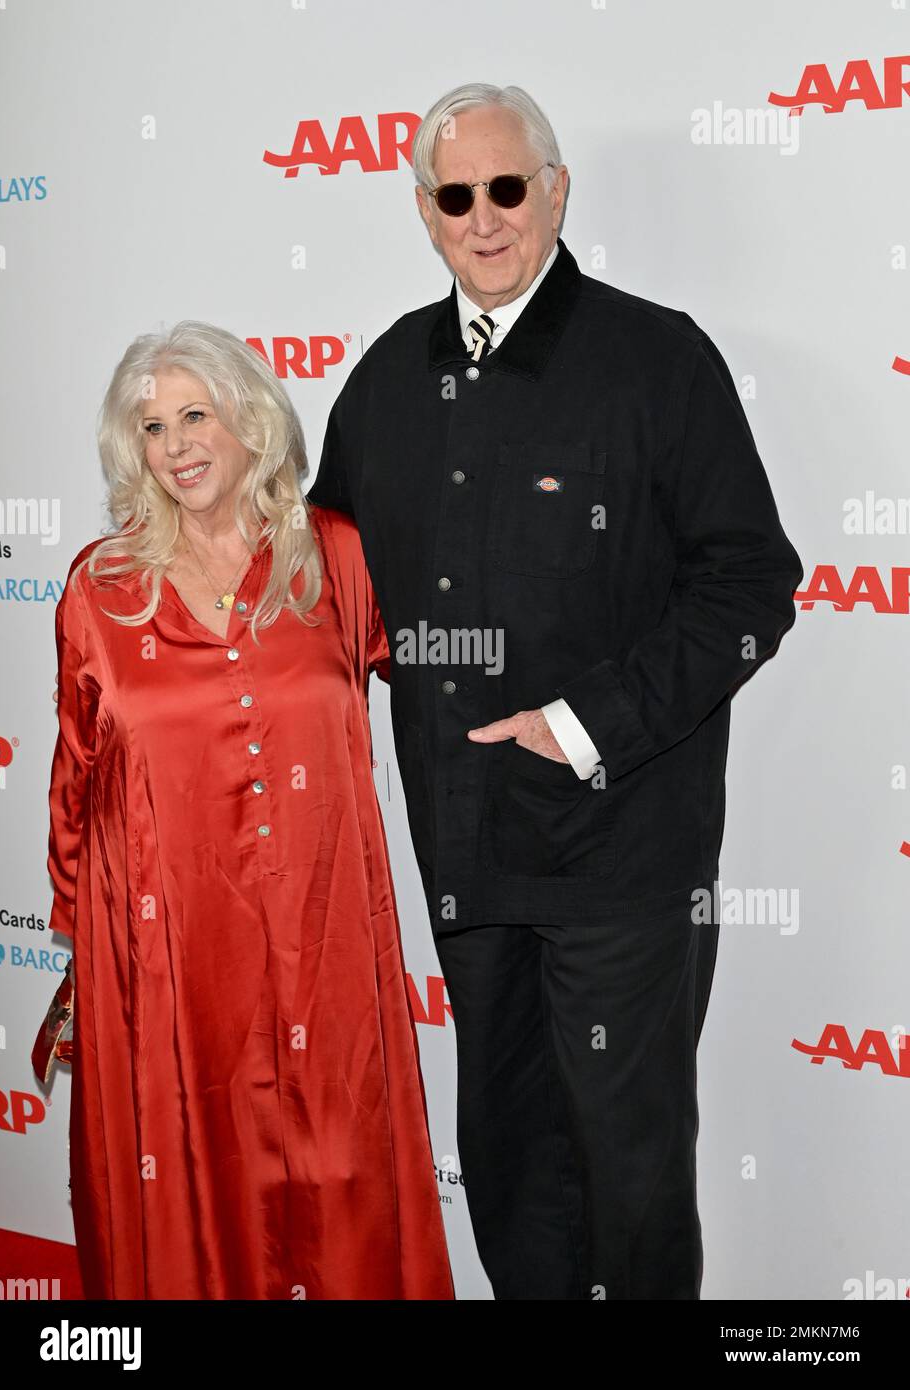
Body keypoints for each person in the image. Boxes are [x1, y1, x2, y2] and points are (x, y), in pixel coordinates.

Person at [306, 83, 803, 1300]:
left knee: (627, 1175)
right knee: (510, 1160)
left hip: (622, 855)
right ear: (424, 213)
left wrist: (585, 723)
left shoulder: (655, 357)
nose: (484, 220)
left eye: (508, 188)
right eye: (455, 196)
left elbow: (750, 585)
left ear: (555, 191)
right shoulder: (381, 382)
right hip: (467, 851)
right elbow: (323, 593)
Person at [42, 320, 454, 1301]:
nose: (176, 443)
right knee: (188, 1177)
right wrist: (81, 942)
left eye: (195, 414)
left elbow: (454, 675)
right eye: (150, 427)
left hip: (324, 946)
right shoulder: (100, 589)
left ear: (248, 422)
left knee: (340, 1176)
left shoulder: (336, 561)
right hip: (170, 949)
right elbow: (74, 774)